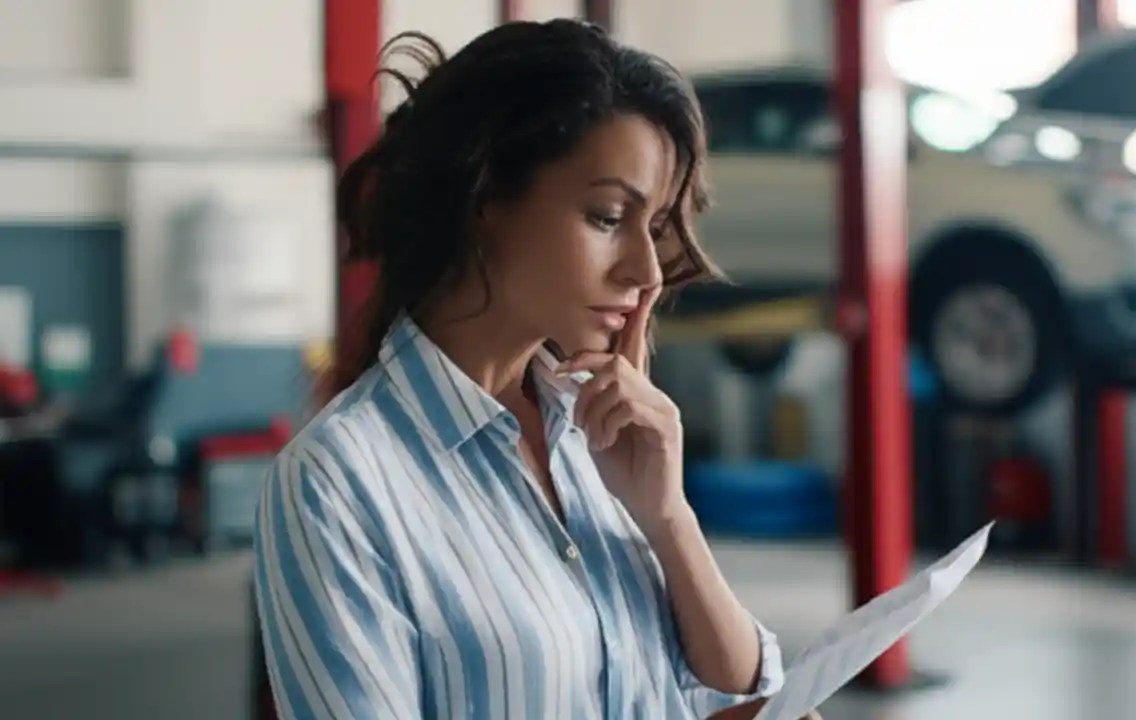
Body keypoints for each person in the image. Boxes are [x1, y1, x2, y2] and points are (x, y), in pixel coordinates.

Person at [254, 19, 817, 719]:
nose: (646, 271)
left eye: (654, 228)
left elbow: (739, 688)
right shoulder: (338, 481)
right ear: (485, 198)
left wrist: (667, 515)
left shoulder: (598, 433)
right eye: (608, 217)